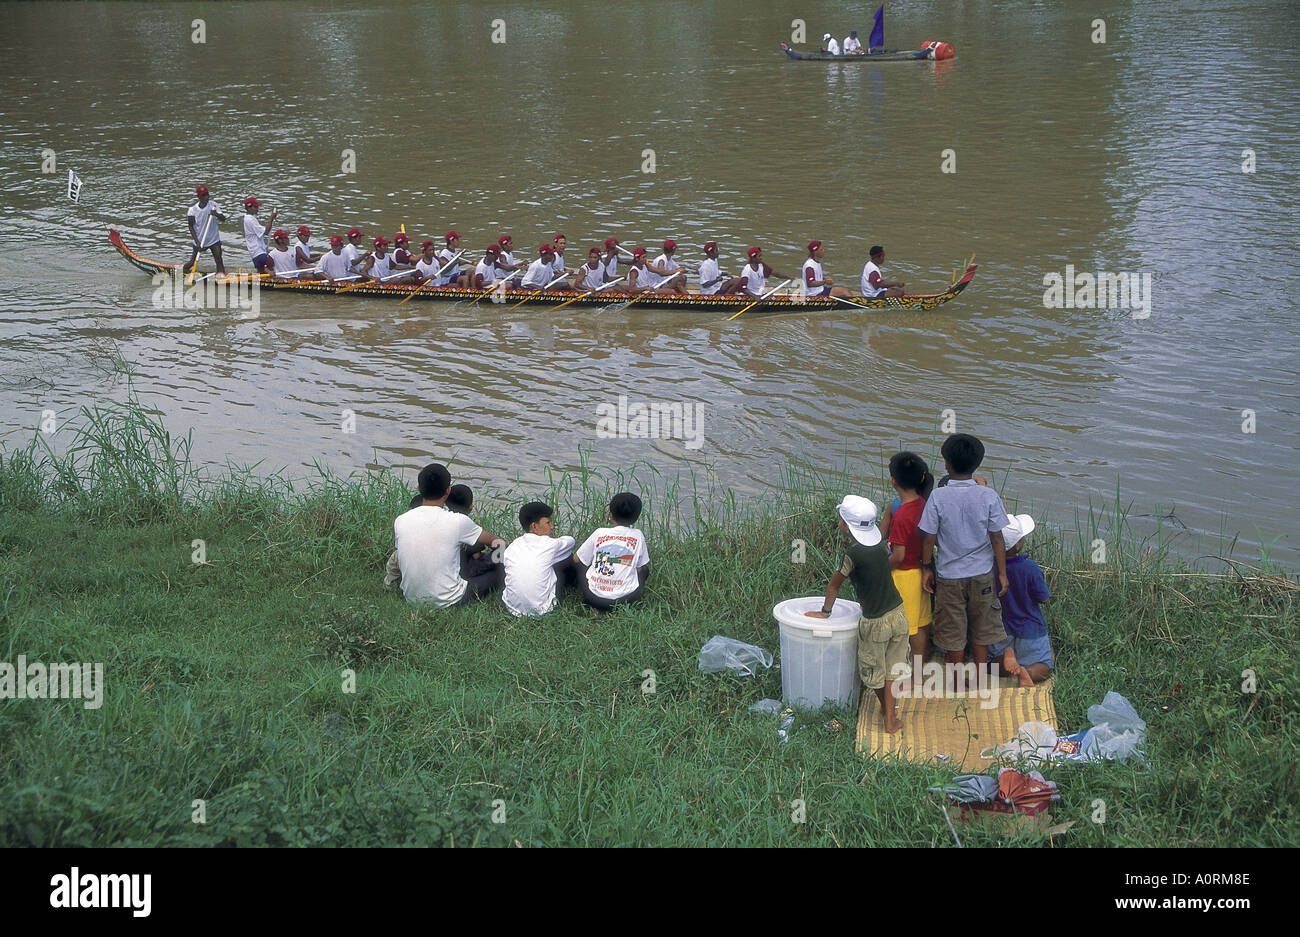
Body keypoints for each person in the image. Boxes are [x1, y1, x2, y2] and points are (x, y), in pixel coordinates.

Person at [805, 496, 909, 734]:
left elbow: (833, 586)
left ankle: (888, 716)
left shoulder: (852, 555)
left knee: (874, 671)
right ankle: (890, 714)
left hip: (875, 621)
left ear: (844, 524)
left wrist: (825, 612)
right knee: (893, 668)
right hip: (898, 613)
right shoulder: (881, 545)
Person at [918, 434, 1010, 689]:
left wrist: (927, 568)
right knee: (982, 629)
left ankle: (956, 682)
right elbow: (998, 539)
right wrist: (1002, 574)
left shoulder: (938, 498)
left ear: (946, 464)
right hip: (983, 575)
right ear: (977, 464)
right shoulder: (988, 496)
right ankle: (979, 679)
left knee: (952, 632)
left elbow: (928, 538)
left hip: (949, 577)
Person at [393, 463, 504, 606]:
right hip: (451, 600)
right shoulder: (458, 521)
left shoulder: (401, 520)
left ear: (419, 489)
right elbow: (498, 542)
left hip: (411, 599)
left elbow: (400, 561)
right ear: (447, 491)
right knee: (497, 571)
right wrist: (496, 559)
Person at [881, 452, 935, 687]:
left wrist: (881, 568)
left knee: (905, 630)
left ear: (893, 481)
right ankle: (918, 673)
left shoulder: (901, 514)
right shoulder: (923, 504)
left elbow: (899, 556)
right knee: (921, 625)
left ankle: (906, 675)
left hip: (905, 576)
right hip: (921, 572)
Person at [987, 514, 1053, 687]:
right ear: (1018, 544)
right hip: (1030, 628)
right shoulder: (1030, 568)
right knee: (1045, 665)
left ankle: (1006, 656)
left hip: (1000, 627)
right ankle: (1027, 672)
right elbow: (1044, 598)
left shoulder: (990, 568)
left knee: (990, 665)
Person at [573, 493, 650, 610]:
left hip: (592, 597)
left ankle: (595, 607)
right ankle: (621, 603)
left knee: (581, 562)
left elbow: (576, 559)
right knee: (644, 570)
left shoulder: (599, 532)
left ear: (611, 515)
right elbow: (639, 568)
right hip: (625, 599)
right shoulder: (638, 535)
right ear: (636, 517)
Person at [502, 501, 578, 617]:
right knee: (567, 557)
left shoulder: (512, 546)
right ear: (534, 526)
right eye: (548, 523)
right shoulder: (549, 544)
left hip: (512, 608)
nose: (552, 527)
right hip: (542, 610)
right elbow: (571, 541)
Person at [185, 185, 226, 274]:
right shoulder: (192, 210)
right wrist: (197, 242)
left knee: (219, 259)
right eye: (203, 195)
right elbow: (191, 227)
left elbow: (223, 219)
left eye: (207, 194)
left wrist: (216, 214)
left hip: (213, 239)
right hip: (200, 240)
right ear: (198, 197)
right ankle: (183, 271)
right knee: (192, 262)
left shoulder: (213, 205)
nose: (206, 197)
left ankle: (221, 276)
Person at [724, 246, 794, 297]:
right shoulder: (747, 270)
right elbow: (742, 288)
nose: (761, 258)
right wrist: (755, 297)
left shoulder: (761, 265)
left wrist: (788, 277)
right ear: (753, 258)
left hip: (761, 294)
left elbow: (775, 273)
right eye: (759, 256)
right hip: (751, 296)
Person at [241, 197, 278, 272]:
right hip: (258, 252)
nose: (258, 209)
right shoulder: (250, 220)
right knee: (272, 264)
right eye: (255, 207)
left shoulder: (249, 218)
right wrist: (271, 218)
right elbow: (266, 232)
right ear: (249, 207)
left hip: (256, 252)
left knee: (262, 273)